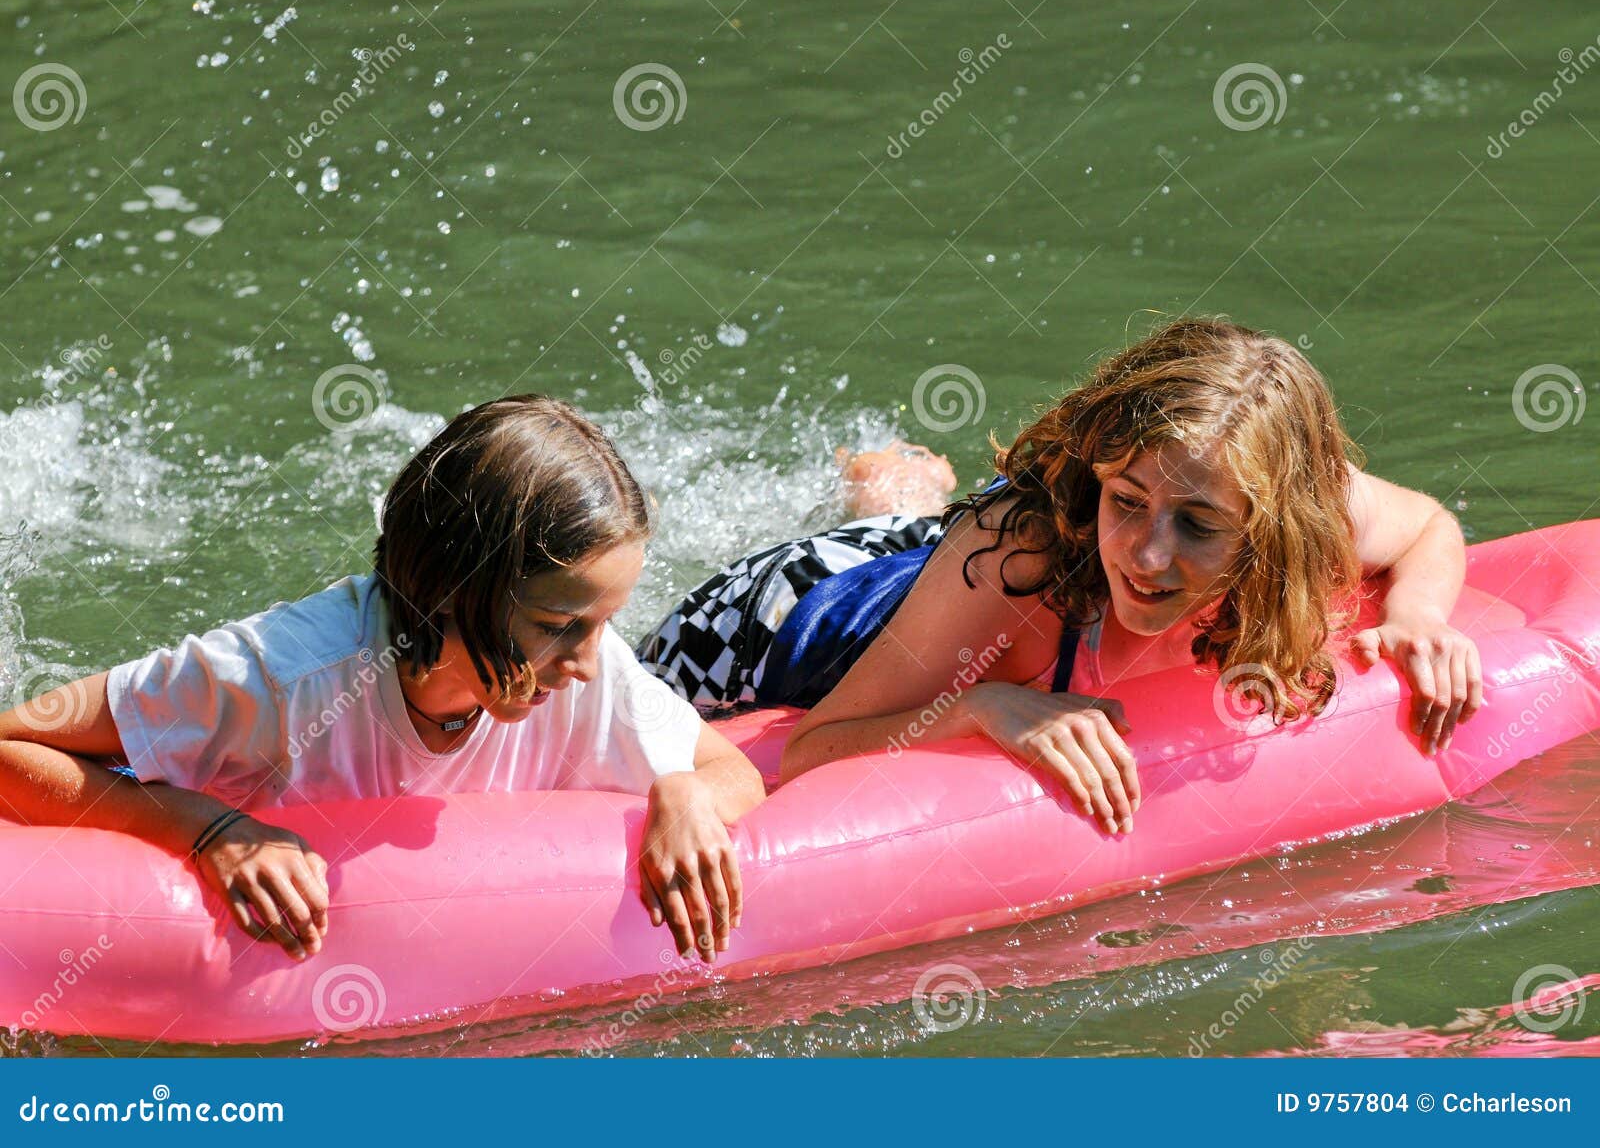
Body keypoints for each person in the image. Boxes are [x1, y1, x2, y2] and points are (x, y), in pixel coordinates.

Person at [638, 319, 1482, 837]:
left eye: (1197, 524)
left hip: (933, 567)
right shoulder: (1022, 556)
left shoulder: (1300, 501)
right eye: (1129, 500)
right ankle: (887, 495)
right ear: (1096, 478)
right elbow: (810, 748)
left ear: (1274, 523)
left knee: (930, 540)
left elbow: (1429, 526)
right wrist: (976, 707)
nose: (1150, 556)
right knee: (941, 546)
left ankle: (894, 489)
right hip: (782, 624)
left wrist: (1418, 612)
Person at [0, 395, 764, 966]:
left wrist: (686, 793)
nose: (591, 659)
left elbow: (732, 769)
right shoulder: (283, 675)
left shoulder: (593, 677)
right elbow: (12, 746)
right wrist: (207, 830)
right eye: (559, 625)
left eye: (606, 621)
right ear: (453, 587)